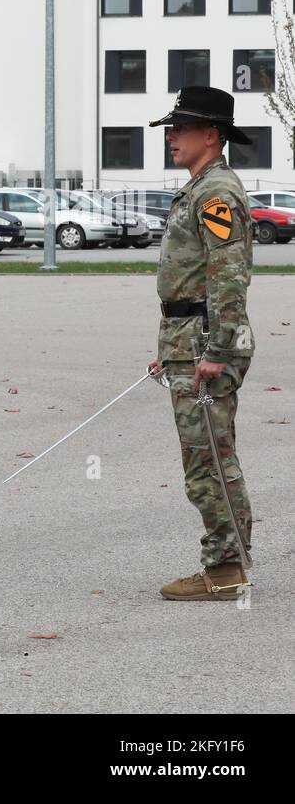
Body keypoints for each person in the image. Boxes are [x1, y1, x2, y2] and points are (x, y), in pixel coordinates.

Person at [147, 86, 256, 601]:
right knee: (203, 456)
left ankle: (226, 569)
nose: (172, 137)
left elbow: (228, 279)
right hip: (188, 343)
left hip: (206, 346)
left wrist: (214, 351)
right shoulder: (198, 189)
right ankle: (225, 562)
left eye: (182, 128)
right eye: (171, 128)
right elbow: (193, 285)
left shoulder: (216, 194)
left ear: (210, 136)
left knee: (209, 458)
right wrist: (173, 349)